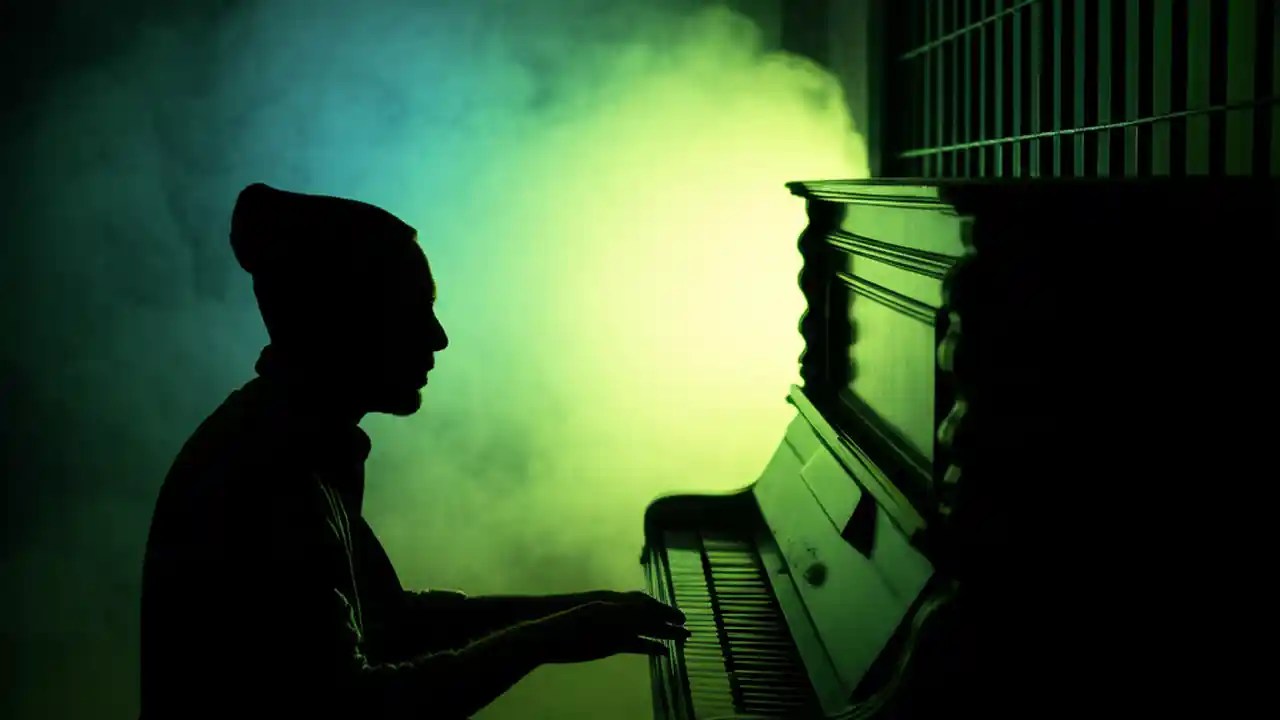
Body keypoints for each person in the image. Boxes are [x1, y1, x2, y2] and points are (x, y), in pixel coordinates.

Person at [138, 183, 689, 719]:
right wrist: (546, 639)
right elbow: (354, 707)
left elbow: (392, 621)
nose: (438, 337)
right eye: (414, 310)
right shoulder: (268, 478)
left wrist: (574, 611)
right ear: (342, 320)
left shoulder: (290, 435)